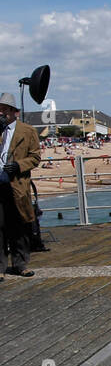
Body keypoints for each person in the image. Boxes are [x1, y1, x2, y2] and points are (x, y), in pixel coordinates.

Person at [0, 92, 42, 279]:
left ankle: (20, 264)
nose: (1, 113)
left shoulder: (27, 131)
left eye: (4, 109)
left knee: (19, 226)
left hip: (17, 185)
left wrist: (18, 165)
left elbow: (35, 157)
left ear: (13, 111)